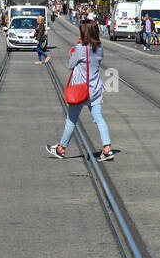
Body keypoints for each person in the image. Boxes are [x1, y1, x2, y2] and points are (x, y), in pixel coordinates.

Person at [46, 19, 114, 162]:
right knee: (98, 118)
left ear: (84, 33)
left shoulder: (80, 48)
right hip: (95, 88)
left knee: (71, 120)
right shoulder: (100, 47)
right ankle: (107, 149)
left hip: (81, 90)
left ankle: (61, 148)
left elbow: (71, 65)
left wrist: (77, 47)